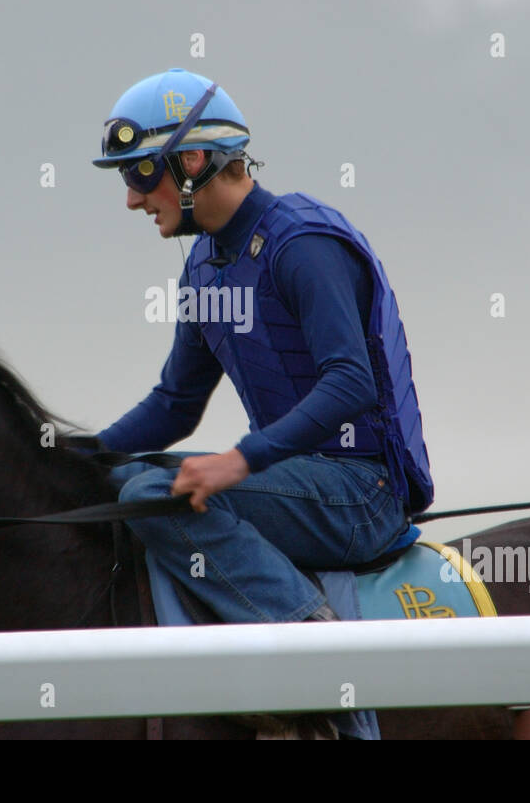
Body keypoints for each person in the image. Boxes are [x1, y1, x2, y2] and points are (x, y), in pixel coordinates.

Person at [90, 69, 435, 737]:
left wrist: (238, 462)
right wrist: (74, 454)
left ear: (192, 162)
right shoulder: (203, 264)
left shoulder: (301, 244)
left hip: (362, 493)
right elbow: (174, 403)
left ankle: (310, 643)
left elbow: (351, 383)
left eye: (139, 175)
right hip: (301, 481)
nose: (132, 201)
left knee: (147, 497)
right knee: (121, 481)